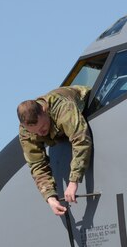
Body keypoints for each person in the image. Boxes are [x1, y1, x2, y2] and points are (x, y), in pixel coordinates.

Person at [16, 84, 92, 216]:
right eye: (35, 132)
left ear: (45, 110)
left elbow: (81, 140)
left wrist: (73, 181)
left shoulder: (63, 109)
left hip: (91, 102)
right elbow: (36, 164)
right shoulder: (26, 131)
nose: (40, 134)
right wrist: (50, 197)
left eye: (43, 127)